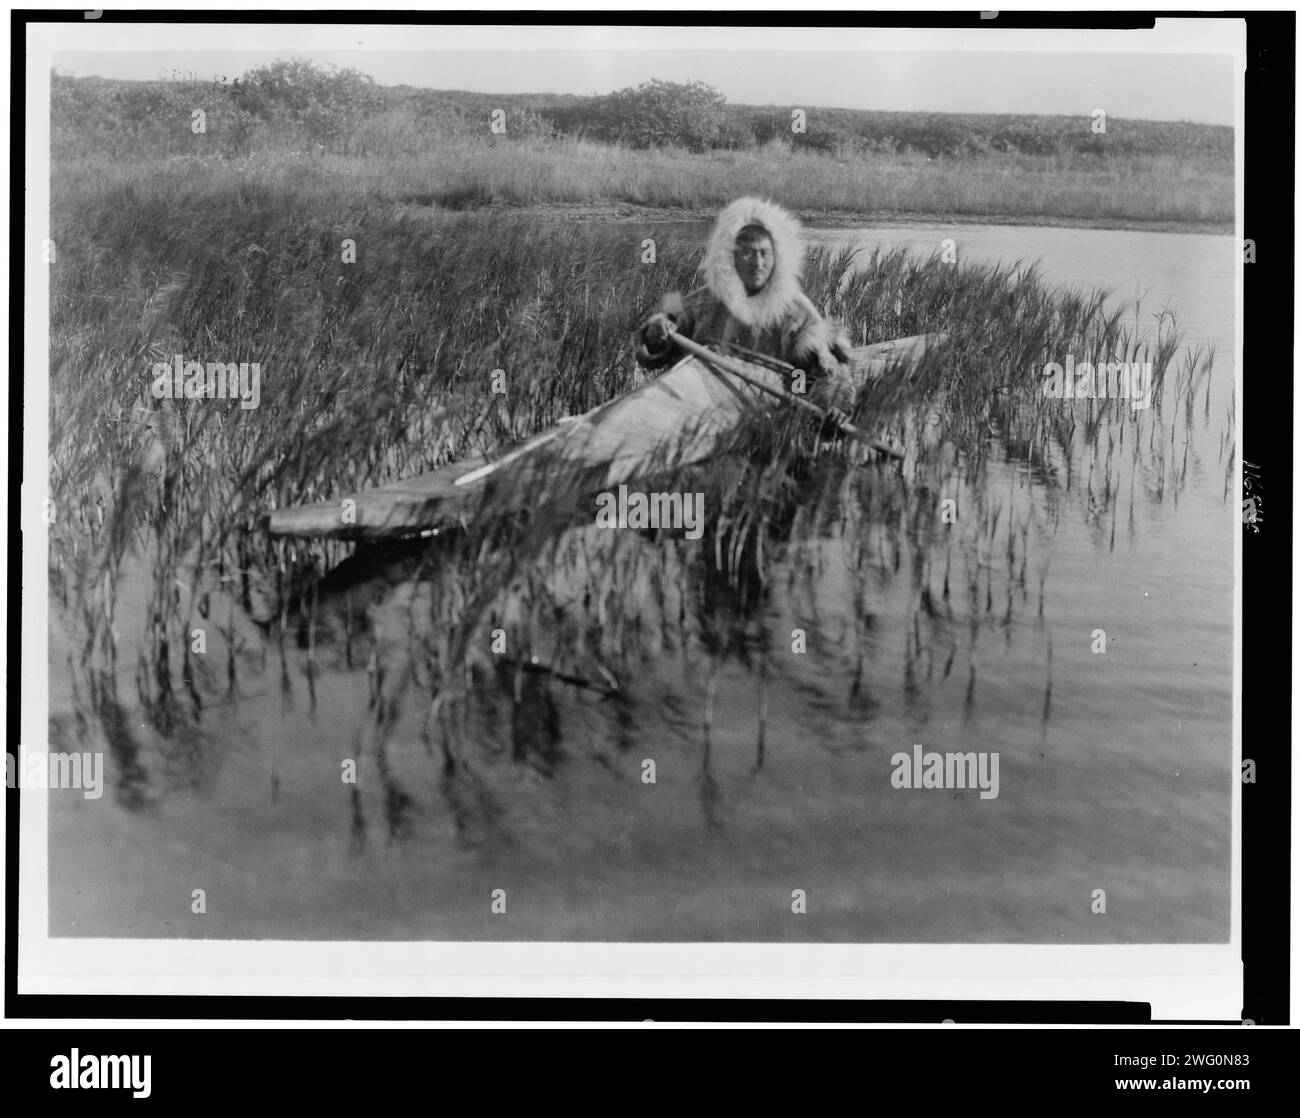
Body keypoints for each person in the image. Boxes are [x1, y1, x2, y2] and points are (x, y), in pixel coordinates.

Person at [633, 197, 854, 409]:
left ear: (776, 257)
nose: (758, 263)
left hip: (759, 416)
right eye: (747, 253)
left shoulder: (796, 312)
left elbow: (826, 375)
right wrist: (657, 330)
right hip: (699, 407)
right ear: (731, 257)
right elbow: (658, 336)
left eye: (764, 253)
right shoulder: (705, 301)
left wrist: (831, 406)